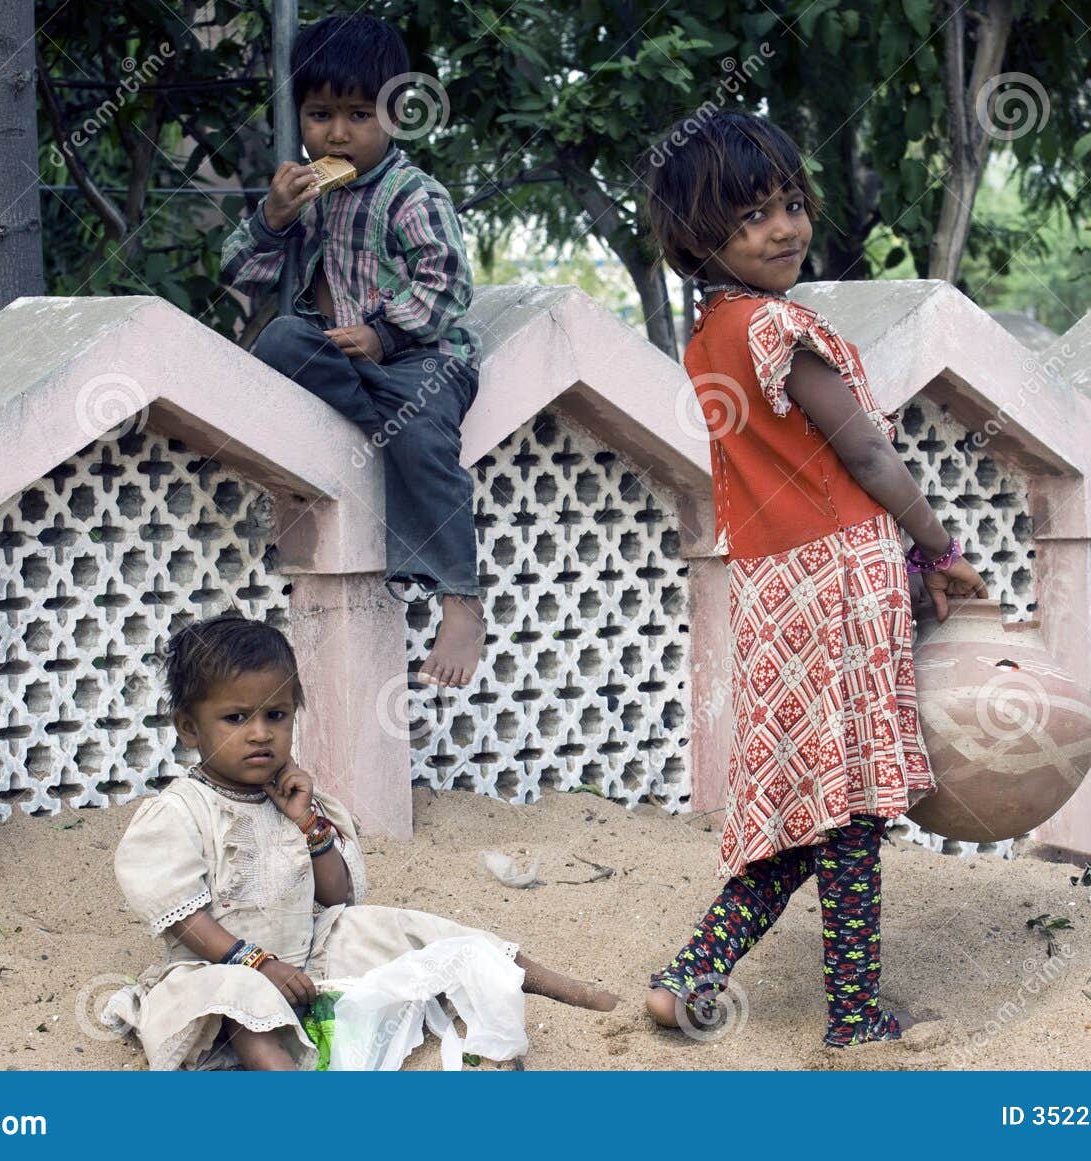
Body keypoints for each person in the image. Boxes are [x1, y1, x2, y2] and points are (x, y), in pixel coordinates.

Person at [637, 111, 990, 1047]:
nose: (785, 227)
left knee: (818, 802)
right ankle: (853, 1015)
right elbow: (866, 452)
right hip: (834, 579)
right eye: (753, 215)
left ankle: (692, 974)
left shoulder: (712, 332)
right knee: (854, 806)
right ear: (699, 238)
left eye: (791, 203)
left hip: (768, 585)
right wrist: (939, 546)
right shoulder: (781, 325)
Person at [105, 613, 618, 1070]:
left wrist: (309, 824)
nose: (260, 733)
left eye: (276, 716)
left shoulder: (298, 799)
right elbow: (186, 919)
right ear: (190, 728)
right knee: (237, 997)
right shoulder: (178, 813)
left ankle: (547, 981)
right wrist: (257, 962)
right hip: (219, 966)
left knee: (406, 925)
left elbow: (337, 898)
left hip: (312, 949)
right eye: (236, 718)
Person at [220, 13, 484, 687]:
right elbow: (238, 276)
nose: (336, 133)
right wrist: (271, 219)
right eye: (320, 114)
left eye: (359, 114)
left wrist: (384, 332)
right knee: (281, 338)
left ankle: (461, 598)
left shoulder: (412, 193)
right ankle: (381, 430)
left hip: (421, 358)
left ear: (396, 114)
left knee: (423, 433)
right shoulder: (303, 196)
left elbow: (448, 284)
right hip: (349, 368)